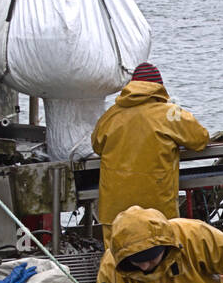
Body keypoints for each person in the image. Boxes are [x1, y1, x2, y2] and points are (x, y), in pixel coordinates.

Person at [91, 62, 216, 239]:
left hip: (115, 212)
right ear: (159, 88)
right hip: (158, 210)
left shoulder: (111, 115)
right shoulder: (169, 113)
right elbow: (200, 139)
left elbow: (97, 145)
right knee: (160, 260)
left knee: (116, 261)